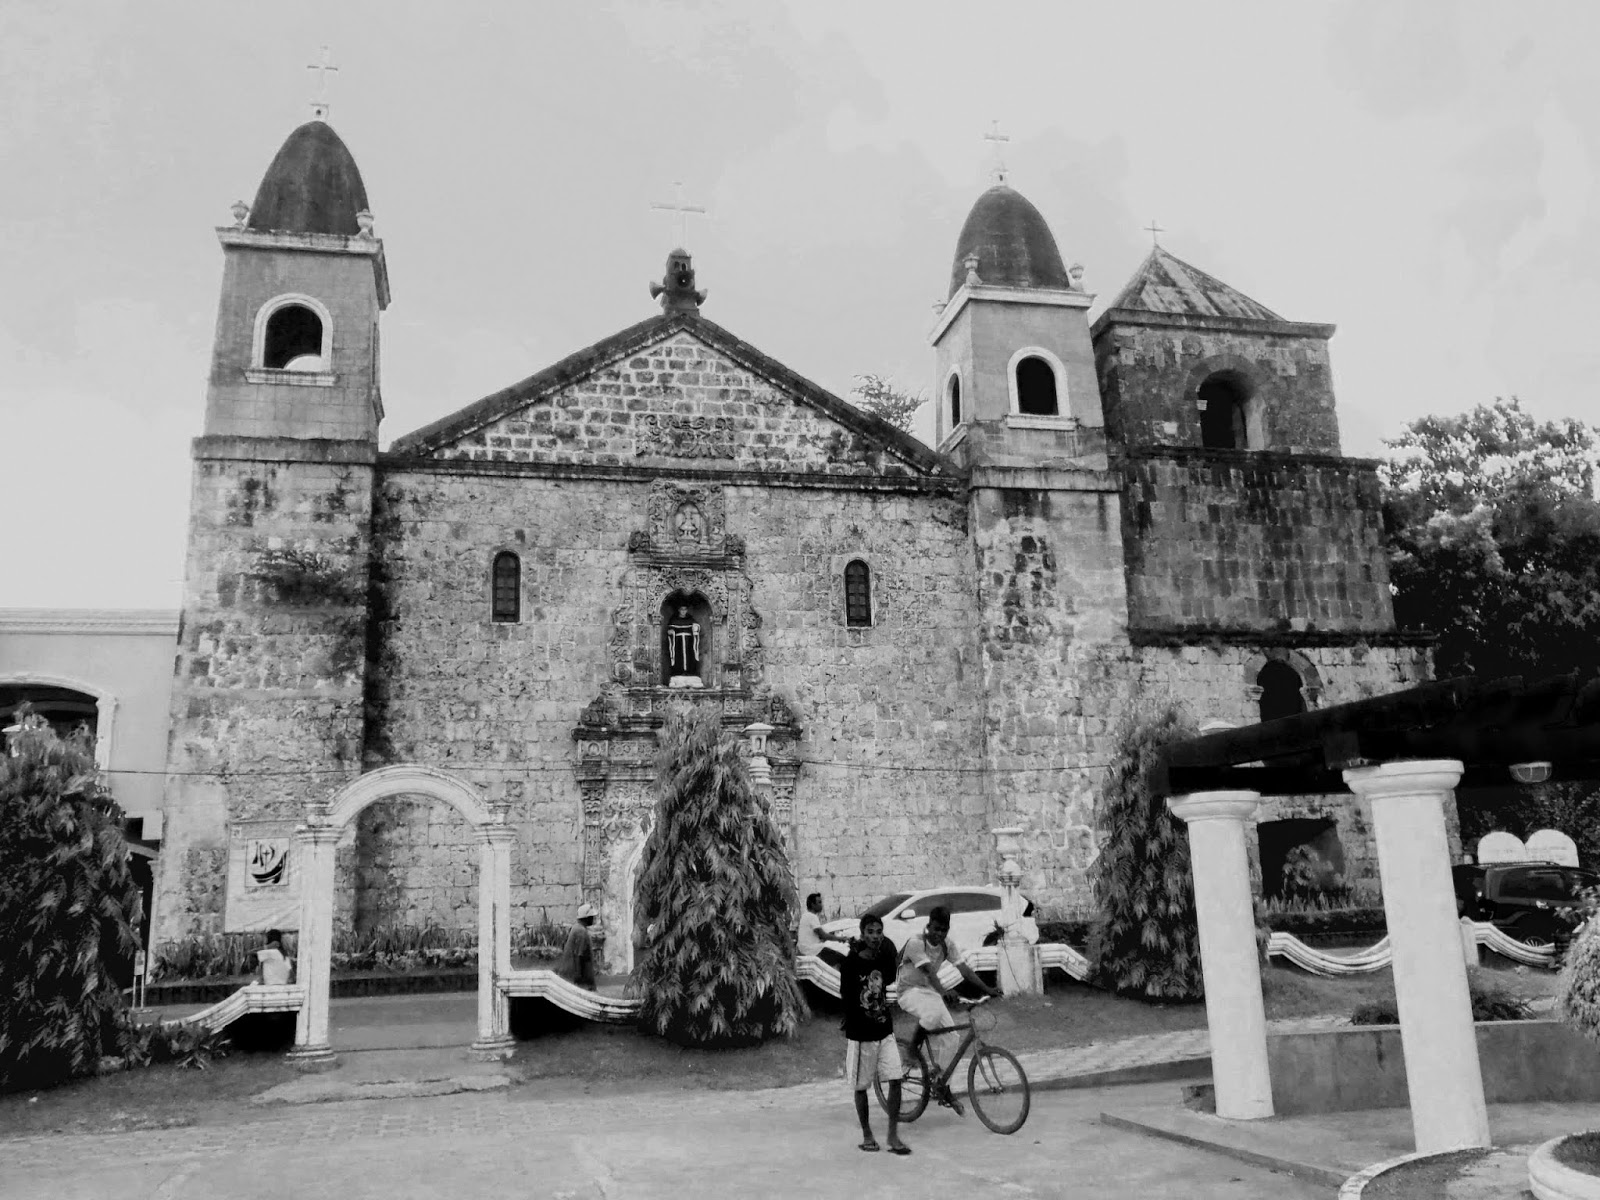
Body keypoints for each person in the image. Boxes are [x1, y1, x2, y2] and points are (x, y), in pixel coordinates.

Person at [895, 905, 999, 1114]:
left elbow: (964, 970)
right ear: (929, 926)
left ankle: (943, 1086)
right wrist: (943, 992)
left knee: (952, 1039)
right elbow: (929, 972)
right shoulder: (916, 943)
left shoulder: (947, 945)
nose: (939, 934)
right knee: (932, 1013)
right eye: (936, 928)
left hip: (930, 992)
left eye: (943, 930)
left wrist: (988, 989)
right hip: (909, 991)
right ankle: (911, 1051)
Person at [839, 913, 910, 1155]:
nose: (876, 936)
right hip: (861, 1035)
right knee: (861, 1086)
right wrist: (851, 1025)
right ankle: (867, 1134)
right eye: (870, 932)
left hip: (884, 1030)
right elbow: (846, 997)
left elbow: (889, 979)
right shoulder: (850, 964)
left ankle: (892, 1134)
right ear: (862, 934)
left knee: (896, 1078)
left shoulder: (884, 959)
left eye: (879, 931)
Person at [797, 892, 848, 967]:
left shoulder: (805, 916)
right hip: (811, 950)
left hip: (804, 949)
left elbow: (818, 936)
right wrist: (840, 939)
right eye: (819, 902)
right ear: (812, 904)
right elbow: (823, 935)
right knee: (841, 956)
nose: (821, 905)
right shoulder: (812, 916)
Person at [556, 903, 598, 990]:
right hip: (578, 980)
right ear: (587, 918)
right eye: (591, 917)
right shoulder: (581, 932)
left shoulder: (577, 928)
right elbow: (578, 956)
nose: (593, 919)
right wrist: (578, 979)